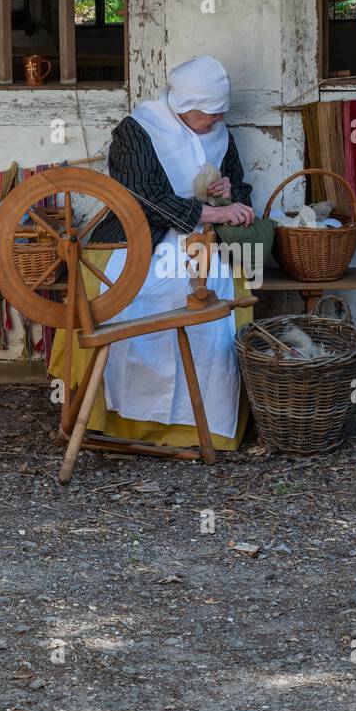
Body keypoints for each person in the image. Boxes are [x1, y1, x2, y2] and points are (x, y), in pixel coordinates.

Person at [48, 55, 255, 450]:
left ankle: (203, 426)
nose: (217, 120)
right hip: (137, 235)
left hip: (202, 237)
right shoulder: (138, 131)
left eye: (220, 113)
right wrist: (210, 209)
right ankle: (119, 418)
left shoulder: (220, 133)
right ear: (185, 106)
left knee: (217, 295)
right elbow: (141, 199)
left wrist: (228, 195)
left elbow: (239, 189)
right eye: (210, 113)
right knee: (137, 298)